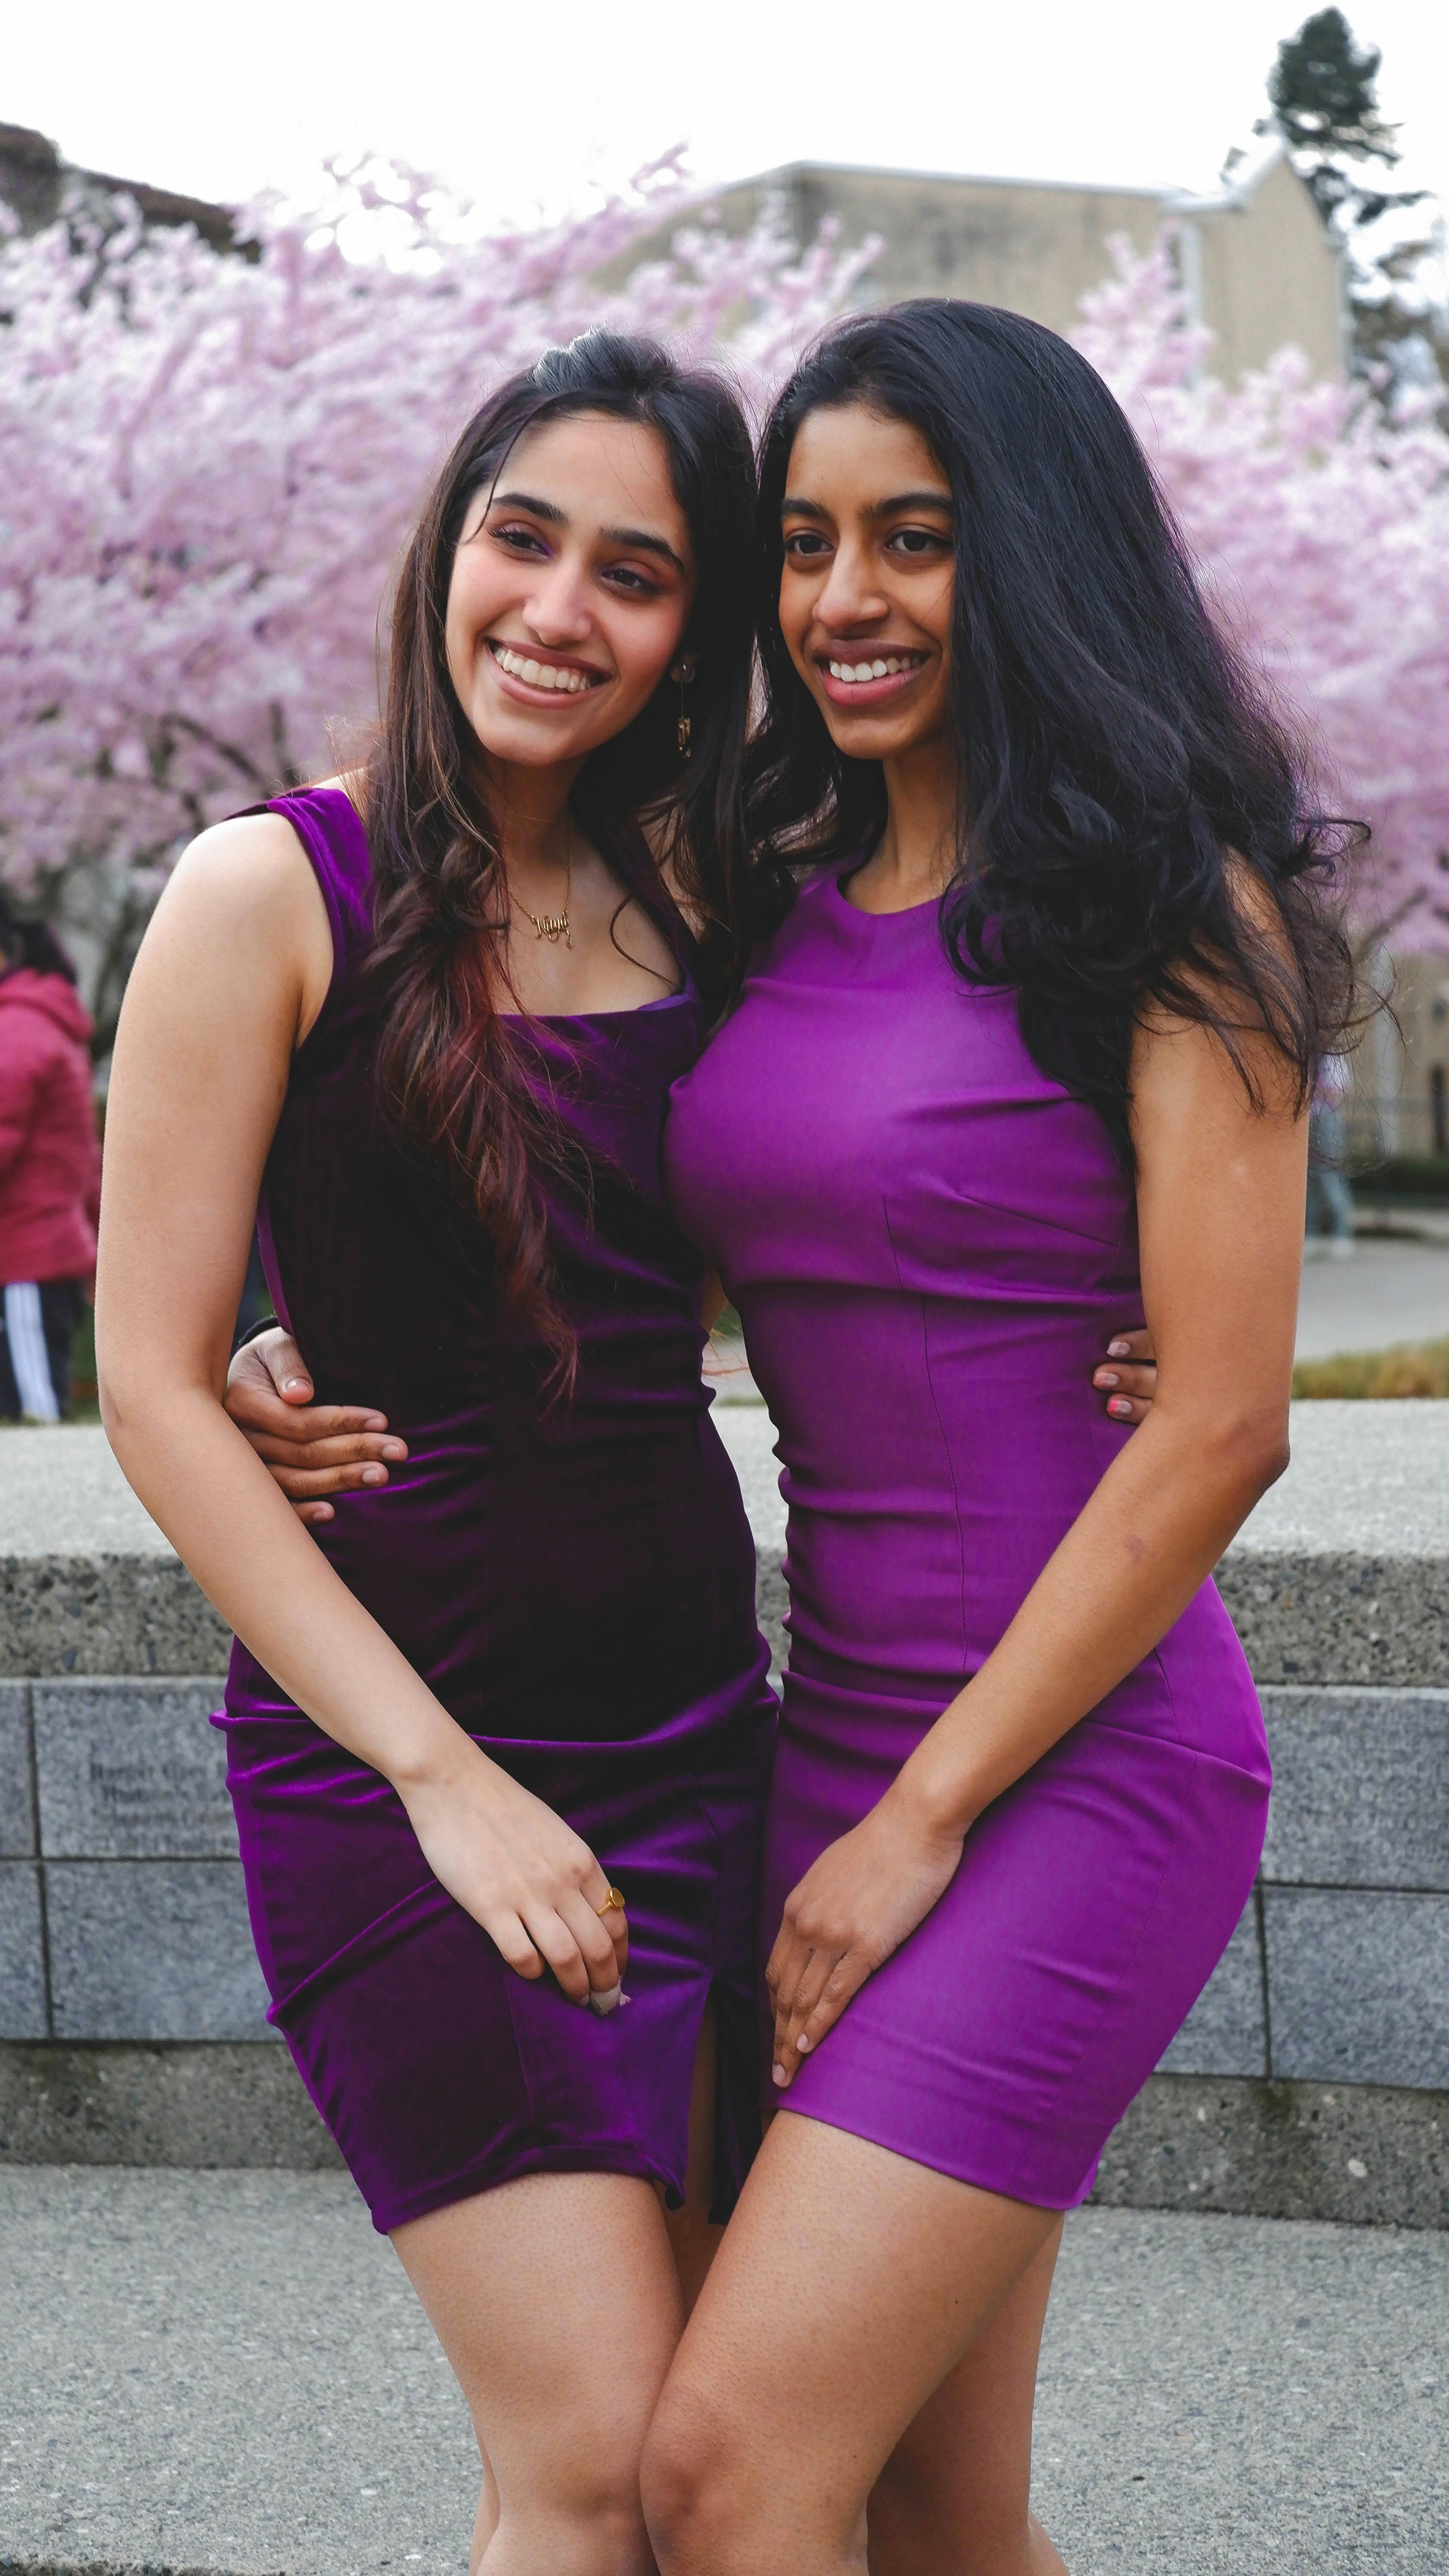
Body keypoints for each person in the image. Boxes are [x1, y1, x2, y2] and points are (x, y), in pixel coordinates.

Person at [640, 301, 1351, 2576]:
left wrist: (921, 1824)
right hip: (825, 1735)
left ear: (1029, 553)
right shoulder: (754, 894)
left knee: (727, 2474)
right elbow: (635, 1231)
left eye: (914, 540)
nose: (842, 601)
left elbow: (1222, 1423)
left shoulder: (1169, 917)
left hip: (1076, 1773)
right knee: (941, 2509)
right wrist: (284, 1341)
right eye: (808, 544)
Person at [95, 333, 780, 2576]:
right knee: (588, 2459)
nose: (562, 608)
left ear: (700, 636)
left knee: (711, 2467)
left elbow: (845, 1236)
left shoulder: (703, 913)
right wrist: (438, 1778)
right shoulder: (259, 889)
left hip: (711, 1749)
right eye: (524, 535)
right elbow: (158, 1382)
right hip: (407, 1772)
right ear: (447, 543)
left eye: (640, 572)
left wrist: (1135, 1331)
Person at [0, 895, 101, 1423]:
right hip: (44, 1254)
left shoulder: (18, 1029)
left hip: (24, 1259)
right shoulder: (42, 1022)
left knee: (36, 1428)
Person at [1304, 1051, 1356, 1258]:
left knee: (1330, 1176)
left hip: (1326, 1118)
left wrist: (1315, 1090)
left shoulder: (1331, 1056)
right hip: (1306, 1117)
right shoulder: (1306, 1053)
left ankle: (1341, 1234)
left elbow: (1338, 1091)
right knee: (1307, 1179)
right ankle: (1310, 1234)